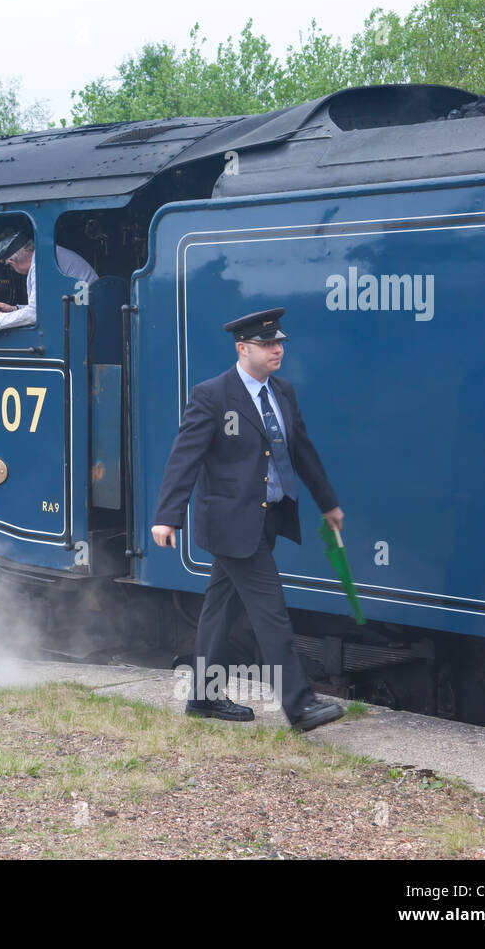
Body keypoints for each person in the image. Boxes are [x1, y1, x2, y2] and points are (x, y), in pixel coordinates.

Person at [150, 307, 346, 732]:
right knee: (270, 612)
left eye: (279, 343)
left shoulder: (283, 392)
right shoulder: (213, 395)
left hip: (267, 519)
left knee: (219, 608)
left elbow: (303, 453)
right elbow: (185, 457)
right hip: (230, 523)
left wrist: (328, 503)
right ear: (243, 349)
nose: (277, 349)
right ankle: (300, 705)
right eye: (267, 344)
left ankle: (202, 697)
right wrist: (167, 516)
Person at [0, 230, 98, 337]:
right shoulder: (47, 255)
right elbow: (45, 308)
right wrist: (14, 309)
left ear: (12, 262)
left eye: (10, 266)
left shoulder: (40, 264)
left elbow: (34, 314)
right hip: (90, 318)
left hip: (86, 324)